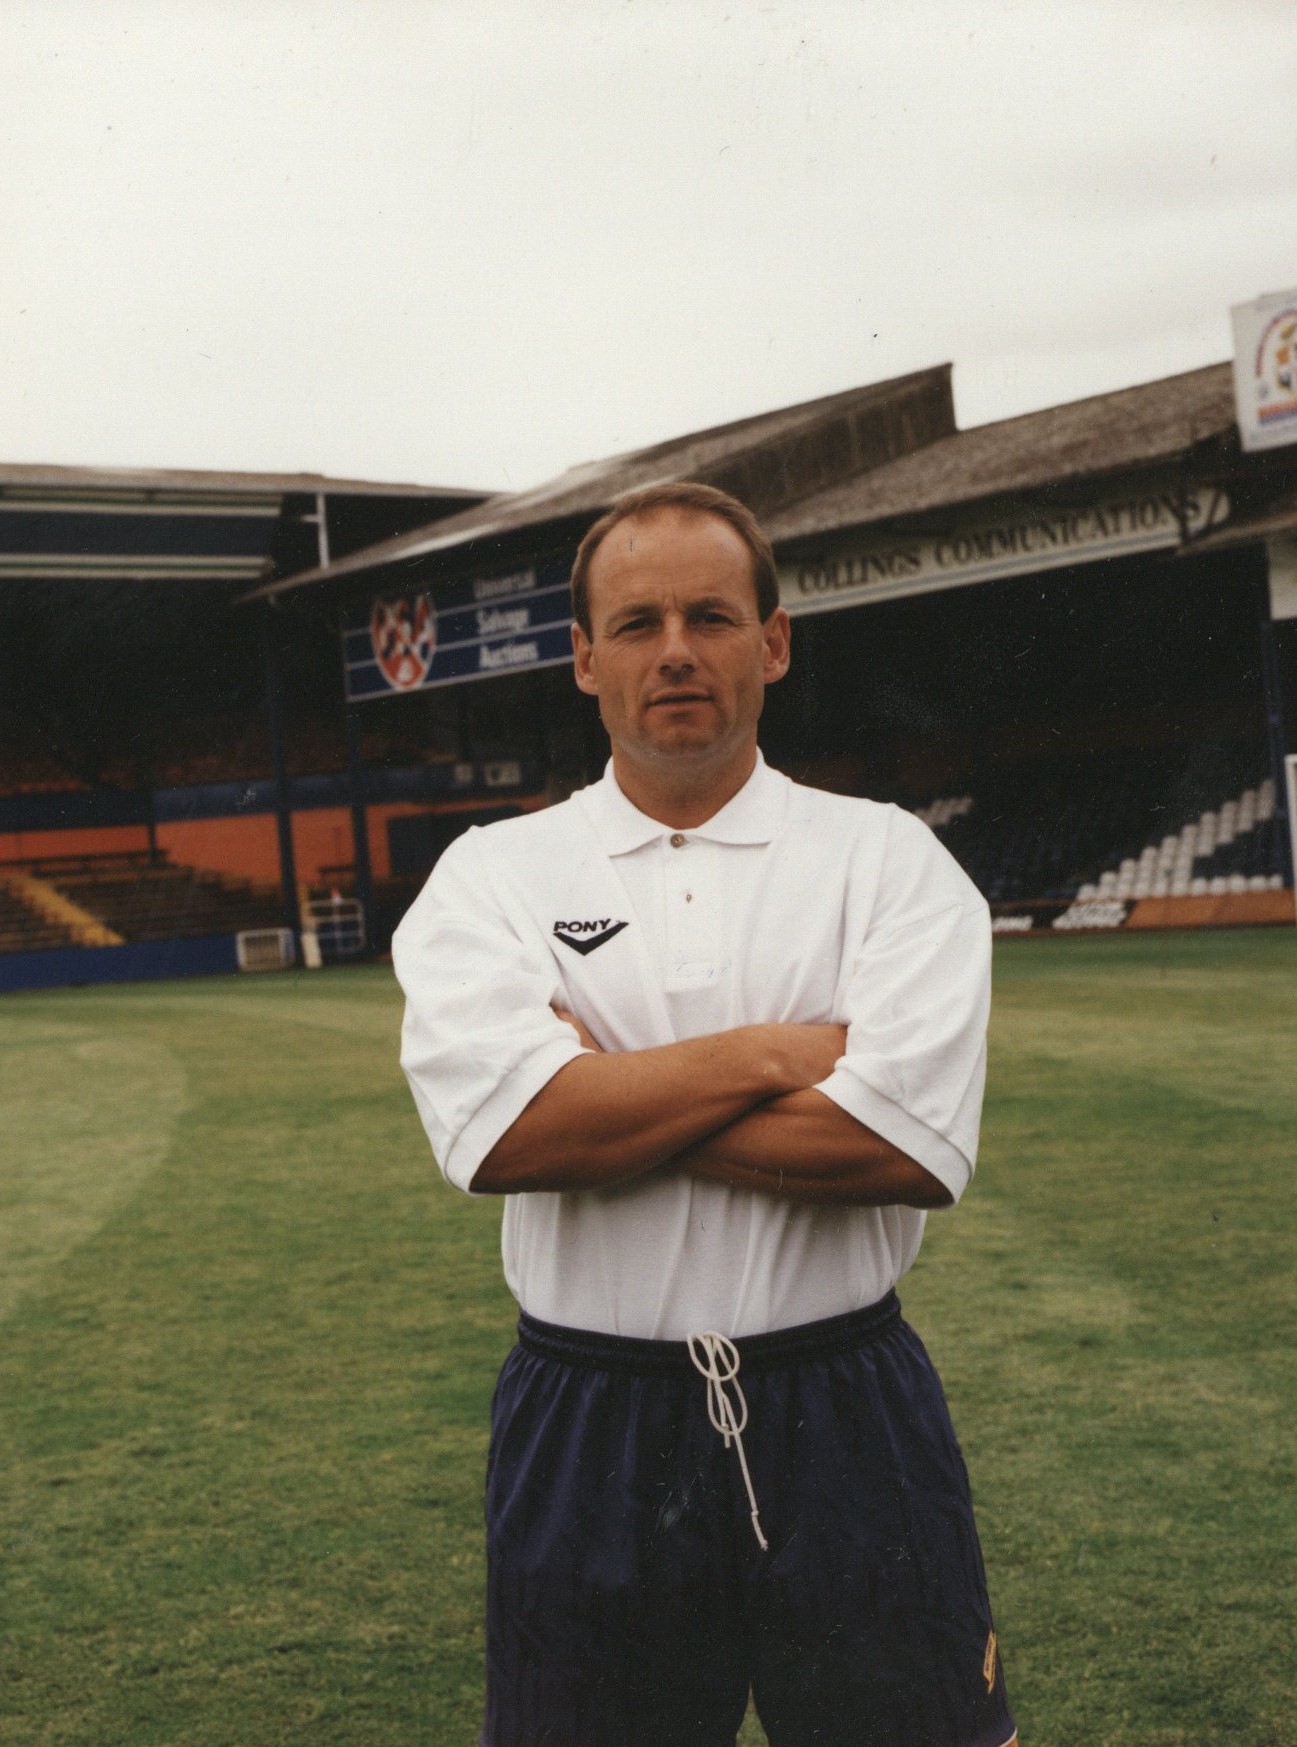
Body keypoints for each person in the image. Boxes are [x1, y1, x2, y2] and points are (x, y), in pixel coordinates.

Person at [393, 481, 1016, 1747]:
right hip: (589, 1422)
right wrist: (772, 1055)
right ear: (583, 660)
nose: (674, 650)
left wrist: (602, 1091)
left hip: (843, 1410)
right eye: (634, 624)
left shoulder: (885, 859)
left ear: (771, 642)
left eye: (710, 616)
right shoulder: (492, 877)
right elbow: (510, 1142)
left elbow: (894, 1146)